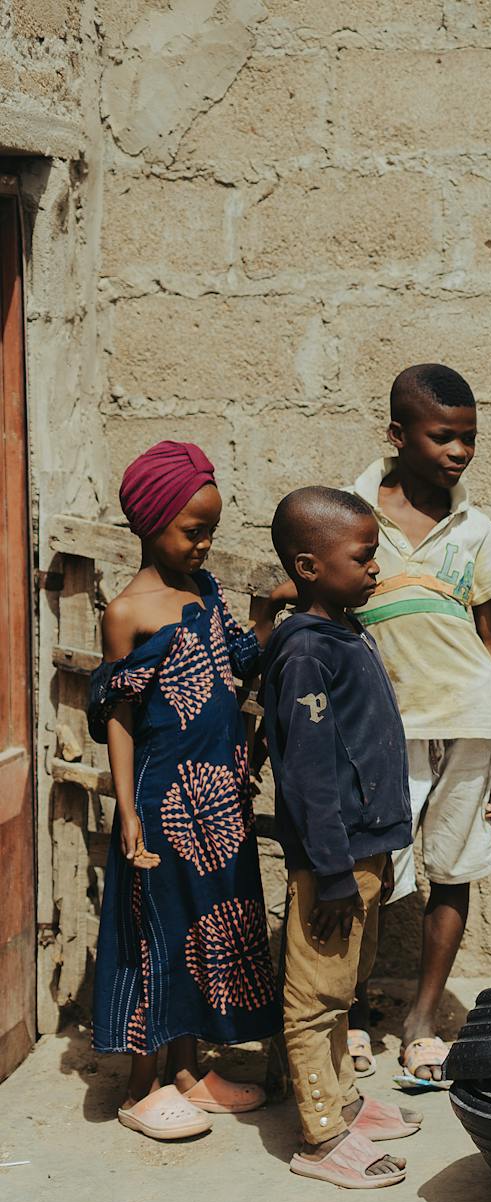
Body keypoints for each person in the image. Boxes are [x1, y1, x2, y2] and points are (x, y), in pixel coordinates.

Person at [90, 441, 289, 1141]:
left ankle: (190, 1071)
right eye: (191, 531)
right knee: (159, 932)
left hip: (219, 800)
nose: (203, 544)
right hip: (163, 798)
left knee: (208, 927)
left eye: (210, 530)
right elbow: (117, 717)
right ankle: (139, 1087)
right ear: (150, 524)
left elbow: (241, 660)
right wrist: (127, 811)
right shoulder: (128, 612)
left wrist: (268, 611)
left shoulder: (206, 595)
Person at [343, 364, 491, 1088]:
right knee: (366, 872)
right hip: (384, 726)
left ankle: (421, 1022)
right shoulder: (351, 514)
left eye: (468, 439)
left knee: (451, 869)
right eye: (443, 436)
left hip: (469, 721)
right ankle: (349, 1011)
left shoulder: (474, 529)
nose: (459, 452)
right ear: (396, 436)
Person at [262, 487, 422, 1189]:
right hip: (334, 857)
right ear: (308, 566)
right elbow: (308, 776)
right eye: (361, 558)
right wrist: (328, 871)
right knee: (316, 996)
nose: (375, 570)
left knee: (344, 983)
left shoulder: (345, 633)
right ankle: (322, 1137)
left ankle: (346, 1102)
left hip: (365, 851)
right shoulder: (302, 654)